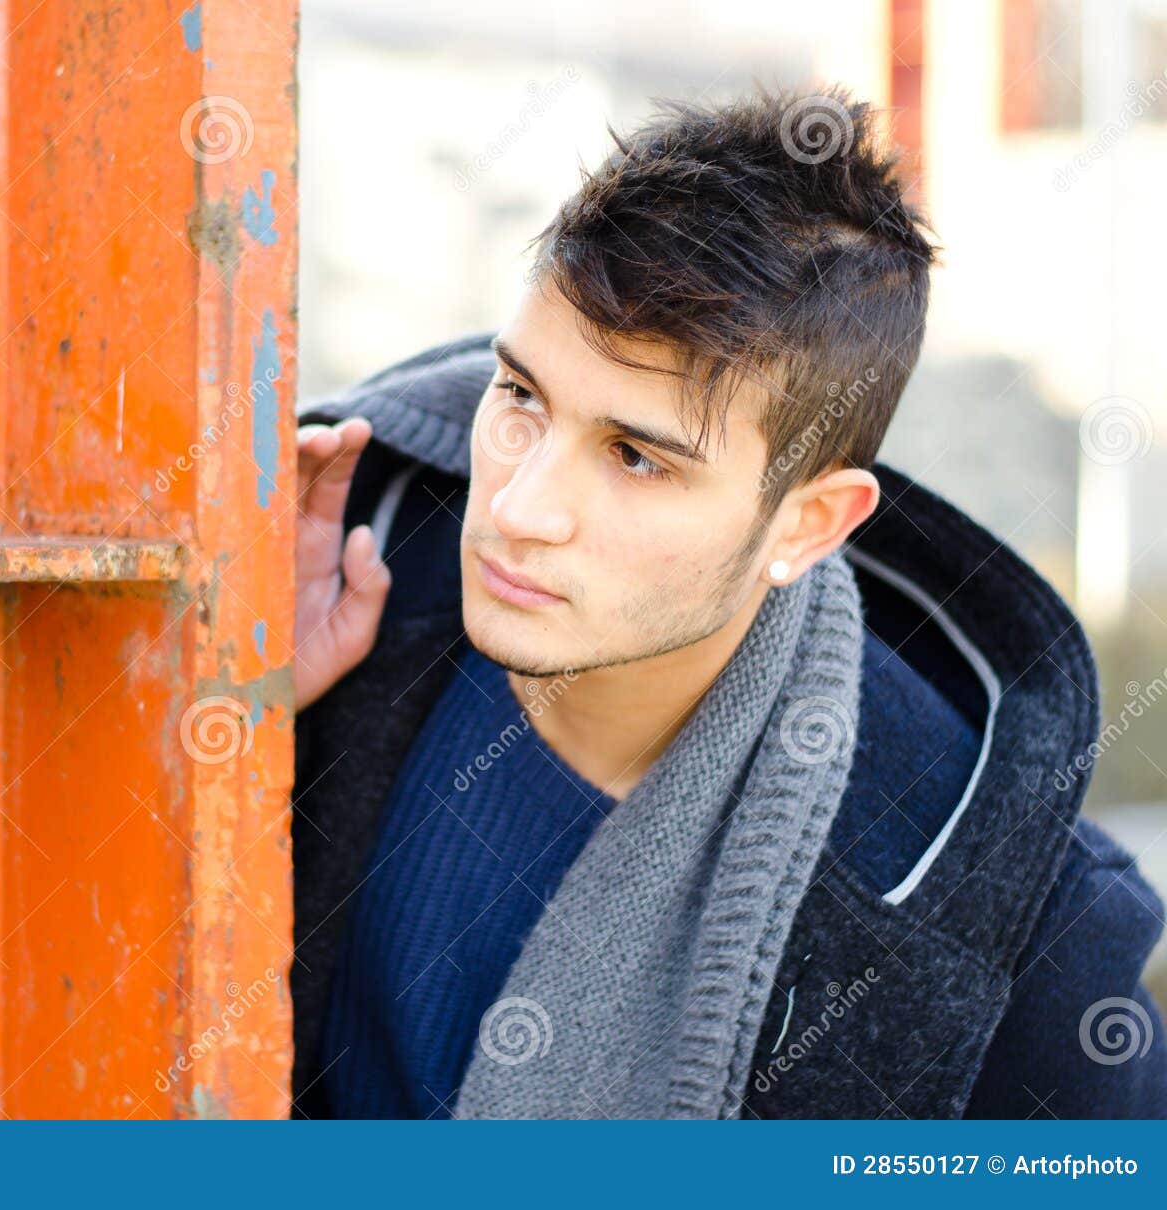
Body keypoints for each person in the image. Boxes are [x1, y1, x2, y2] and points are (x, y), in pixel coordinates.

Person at [288, 86, 1167, 1119]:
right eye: (521, 397)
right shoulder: (340, 587)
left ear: (809, 524)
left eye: (634, 458)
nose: (520, 510)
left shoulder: (1013, 928)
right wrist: (232, 712)